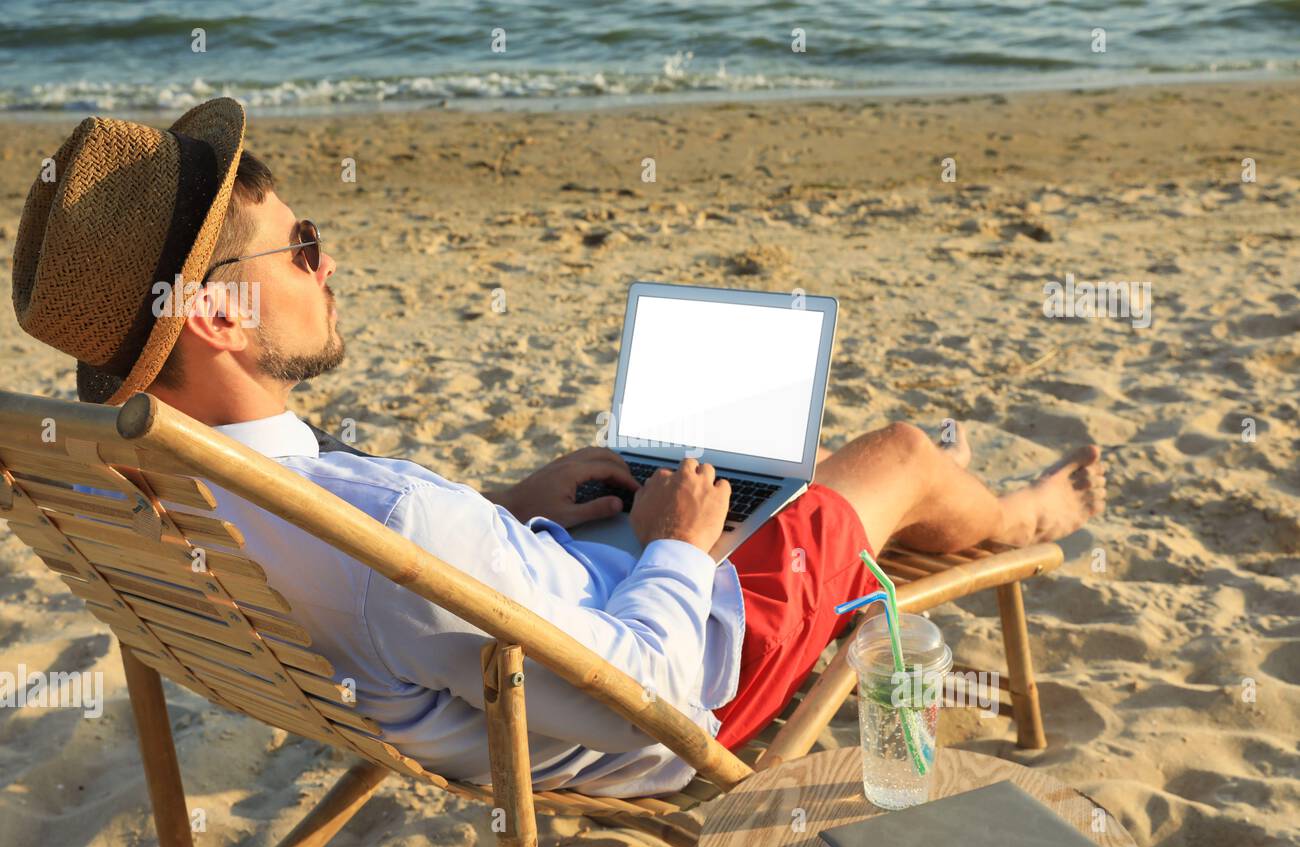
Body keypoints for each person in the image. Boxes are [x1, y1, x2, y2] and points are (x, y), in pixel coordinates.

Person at [11, 99, 1105, 798]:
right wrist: (677, 547)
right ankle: (1023, 517)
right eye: (300, 248)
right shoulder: (393, 525)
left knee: (746, 470)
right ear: (214, 317)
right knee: (898, 454)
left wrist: (503, 509)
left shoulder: (149, 487)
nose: (326, 261)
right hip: (685, 672)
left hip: (526, 605)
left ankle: (792, 517)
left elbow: (376, 578)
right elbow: (665, 702)